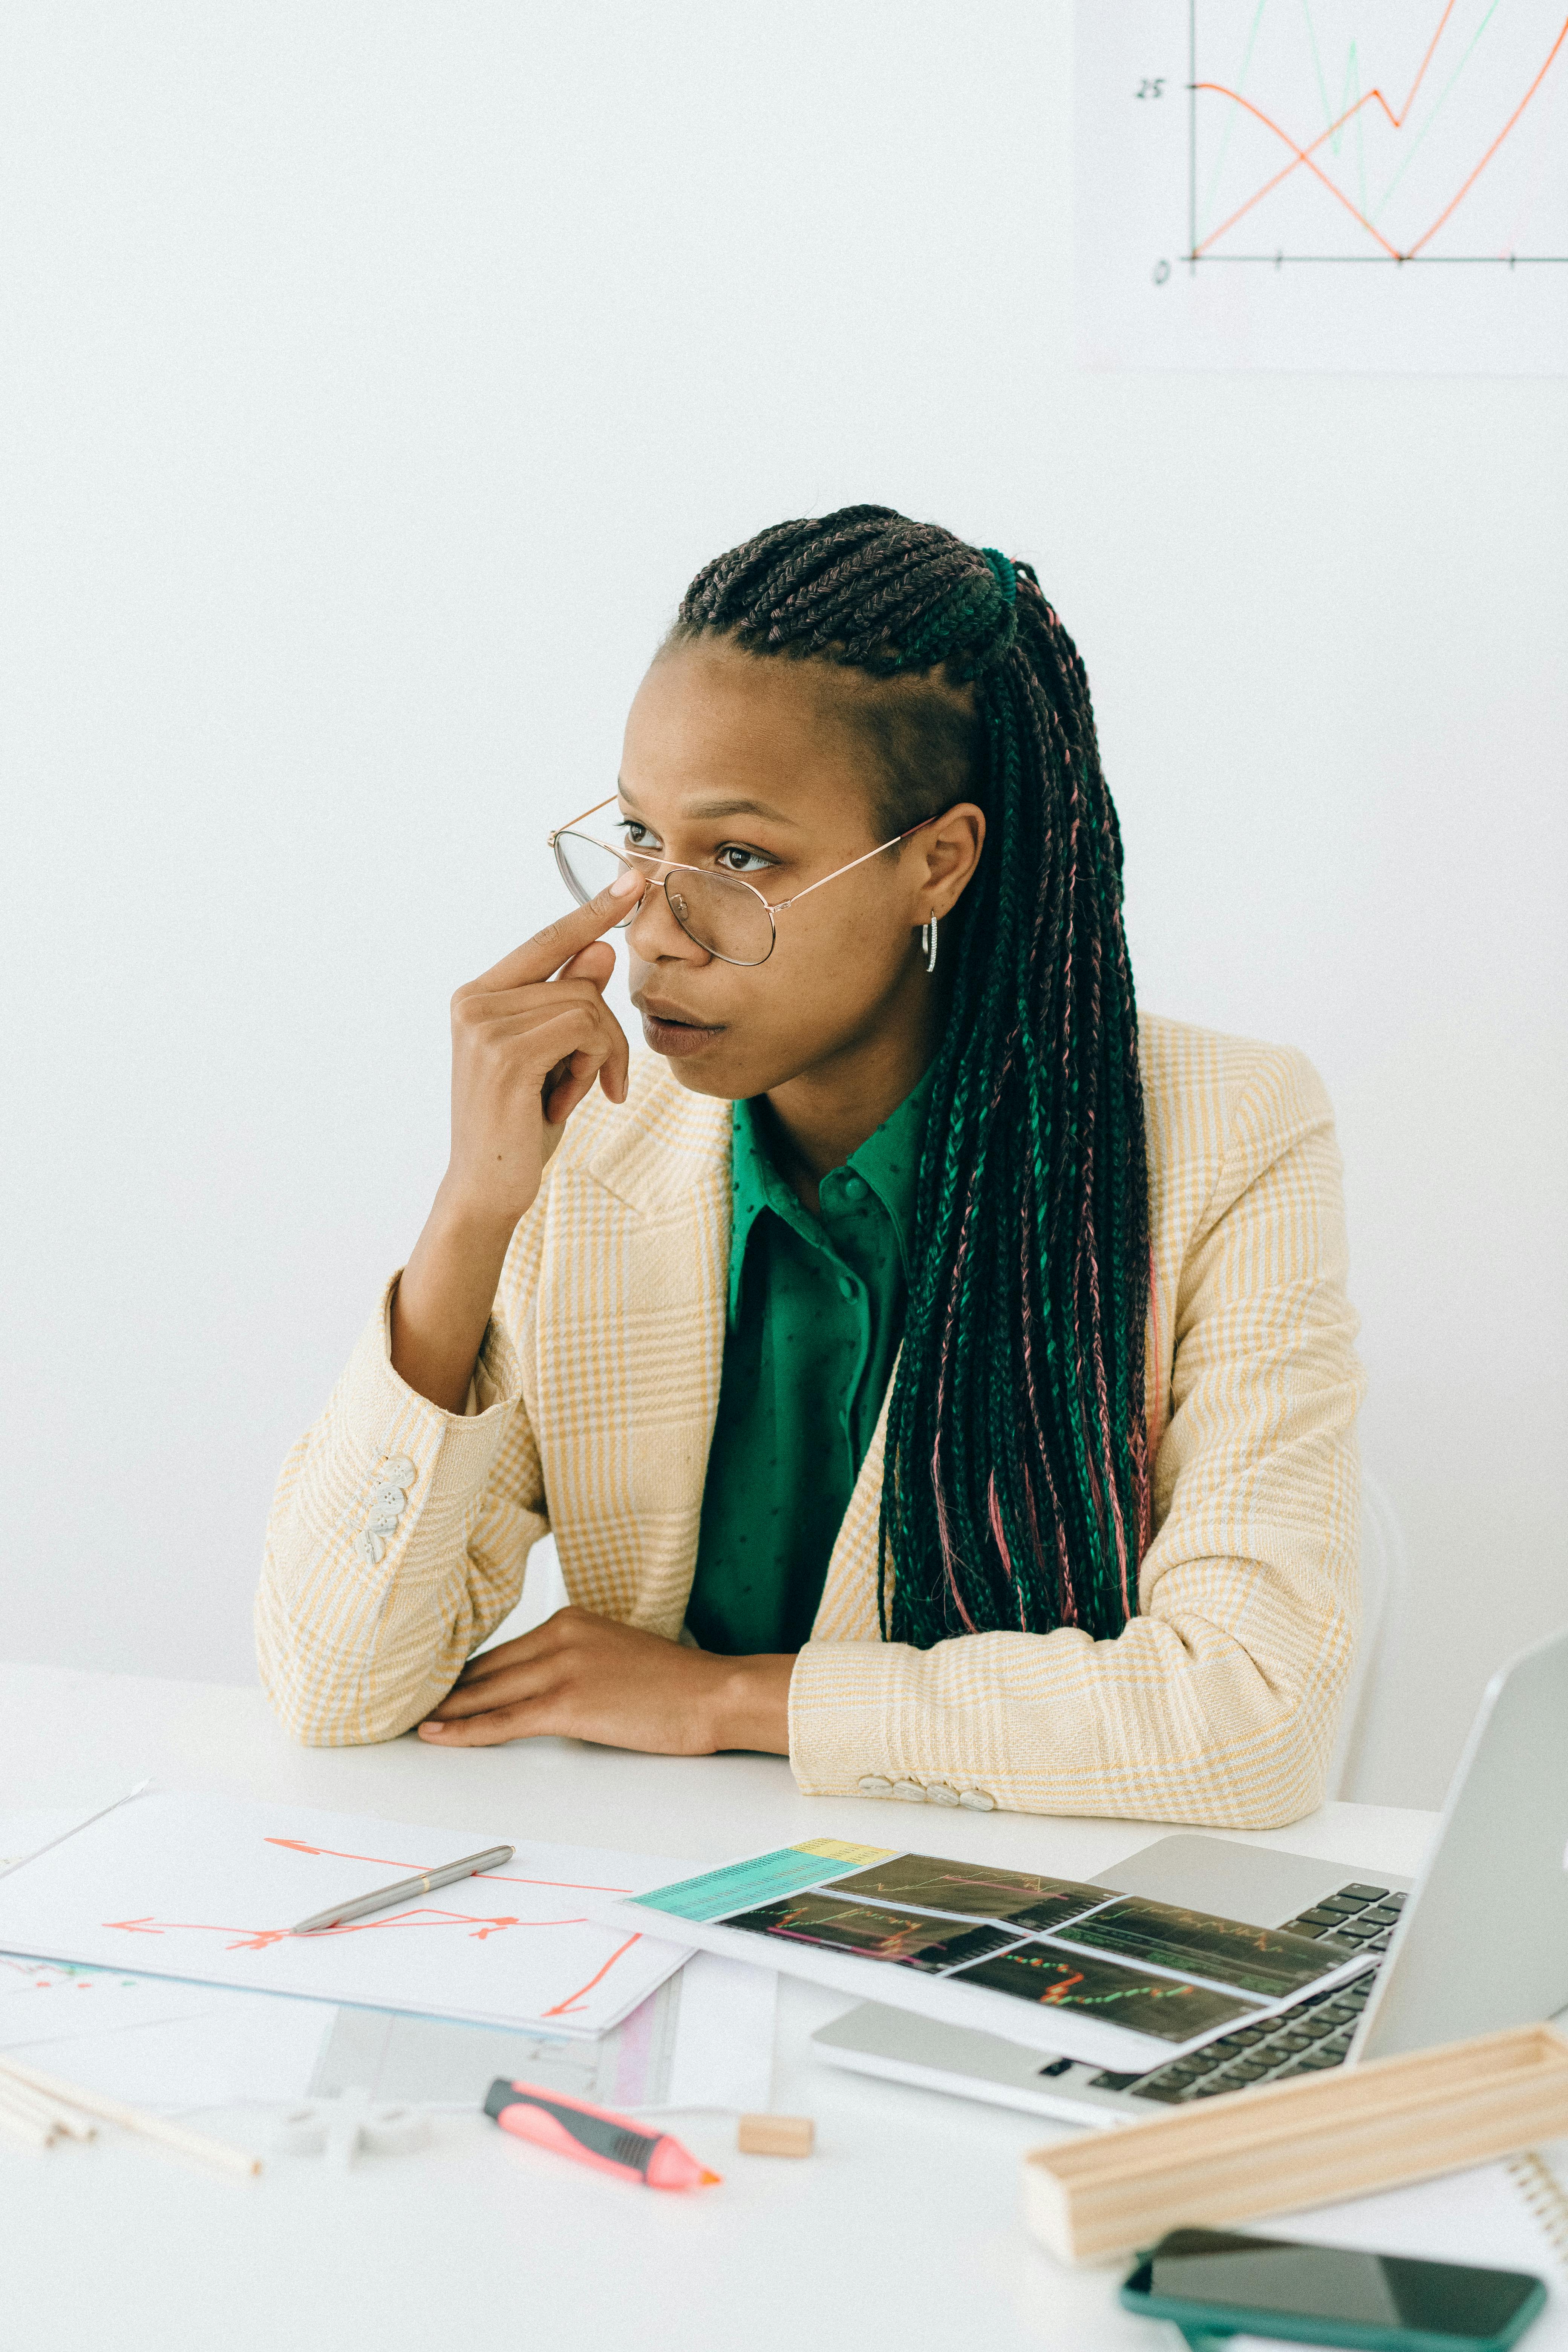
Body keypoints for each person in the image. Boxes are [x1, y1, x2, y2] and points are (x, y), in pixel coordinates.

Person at [257, 505, 1364, 1827]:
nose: (654, 931)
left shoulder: (1225, 1131)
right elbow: (336, 1683)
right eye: (636, 837)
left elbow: (1250, 1718)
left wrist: (729, 1701)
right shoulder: (588, 1140)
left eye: (738, 859)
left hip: (1011, 1926)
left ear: (936, 865)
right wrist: (471, 1208)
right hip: (639, 1908)